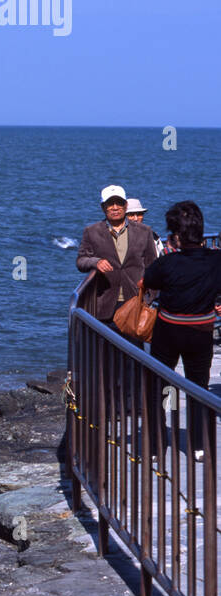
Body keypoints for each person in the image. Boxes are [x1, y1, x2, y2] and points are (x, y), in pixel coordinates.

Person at [142, 201, 221, 457]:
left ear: (174, 236)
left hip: (169, 331)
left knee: (161, 386)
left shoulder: (167, 263)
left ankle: (156, 444)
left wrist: (168, 251)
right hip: (201, 331)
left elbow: (149, 280)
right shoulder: (216, 260)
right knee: (199, 385)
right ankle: (198, 445)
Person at [76, 184, 159, 328]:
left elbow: (153, 266)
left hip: (134, 302)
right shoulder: (91, 231)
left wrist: (149, 298)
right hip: (103, 304)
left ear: (126, 206)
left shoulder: (144, 231)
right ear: (103, 207)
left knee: (132, 348)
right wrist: (96, 262)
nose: (115, 207)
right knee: (103, 348)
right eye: (110, 204)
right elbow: (81, 261)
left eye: (119, 203)